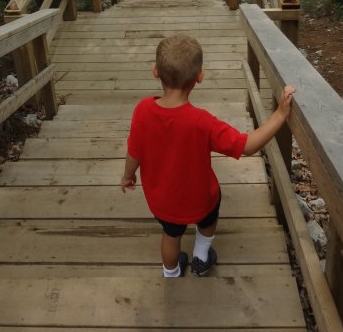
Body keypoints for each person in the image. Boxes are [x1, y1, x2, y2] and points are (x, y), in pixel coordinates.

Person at [121, 33, 296, 278]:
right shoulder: (202, 122)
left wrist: (128, 175)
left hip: (163, 200)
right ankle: (201, 257)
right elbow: (246, 146)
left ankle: (171, 272)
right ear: (199, 77)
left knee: (171, 236)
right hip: (201, 198)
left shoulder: (142, 111)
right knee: (207, 221)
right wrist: (279, 114)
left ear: (155, 71)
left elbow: (133, 152)